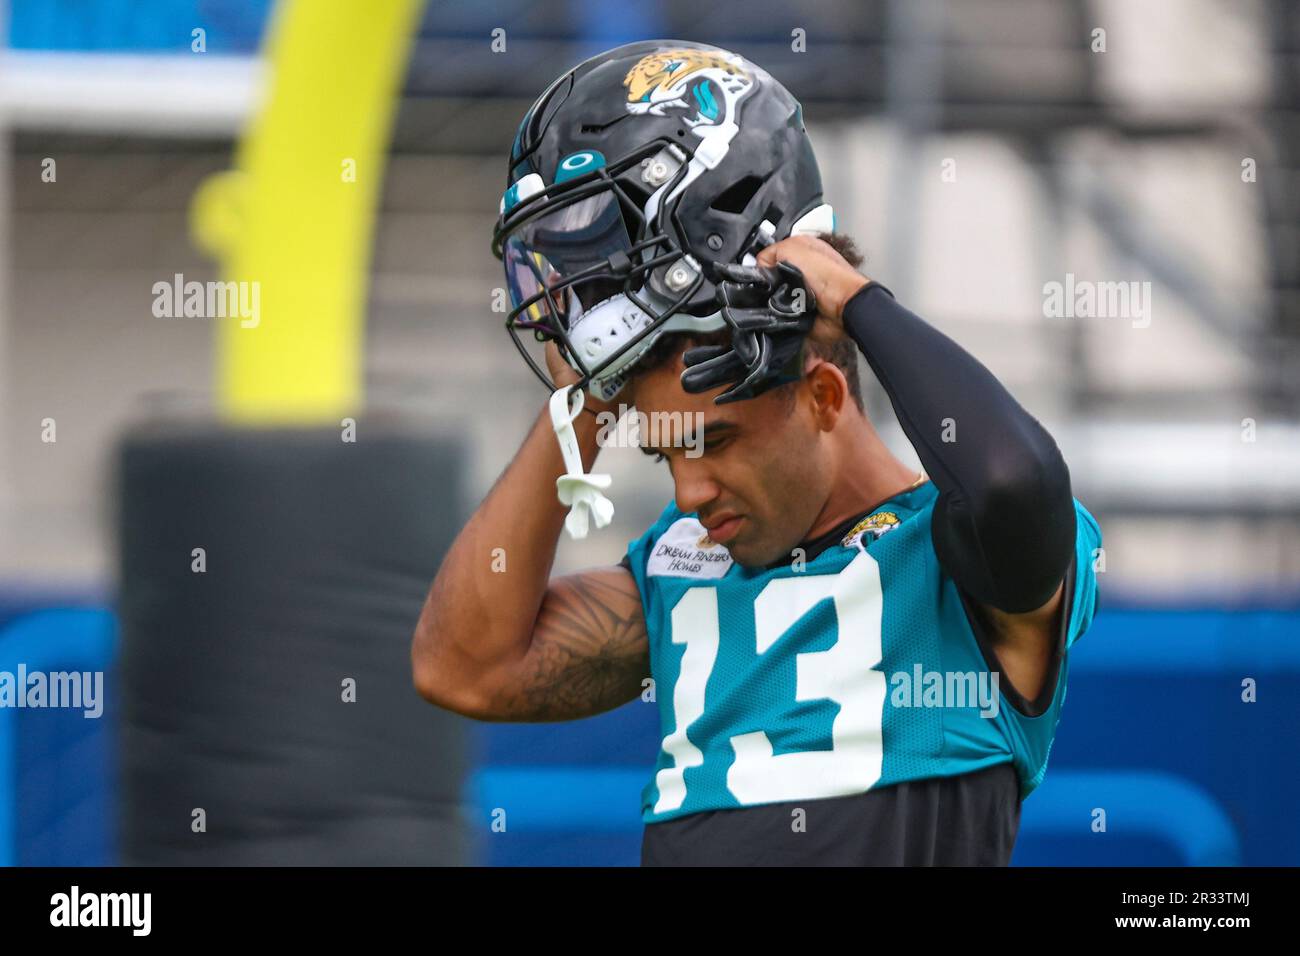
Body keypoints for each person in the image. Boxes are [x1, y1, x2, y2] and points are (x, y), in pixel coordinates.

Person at [412, 39, 1102, 865]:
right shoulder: (684, 570)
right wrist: (589, 393)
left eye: (713, 440)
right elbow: (462, 664)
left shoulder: (958, 576)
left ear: (824, 396)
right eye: (664, 453)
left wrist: (855, 301)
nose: (692, 494)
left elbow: (1007, 480)